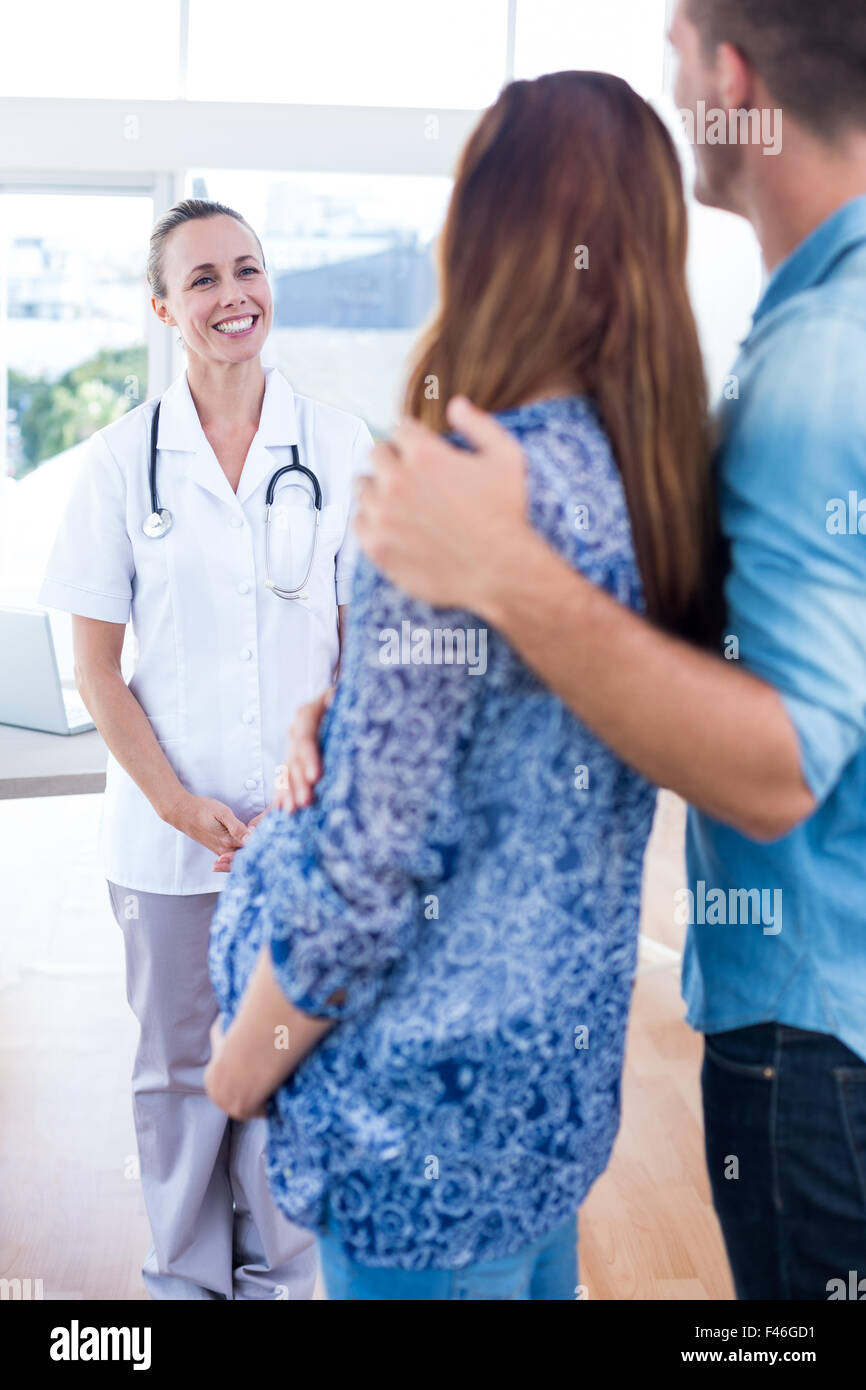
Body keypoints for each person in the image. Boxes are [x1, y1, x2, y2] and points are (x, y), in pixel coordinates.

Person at [331, 1, 866, 1301]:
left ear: (729, 76)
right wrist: (373, 703)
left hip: (813, 1040)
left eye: (674, 58)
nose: (672, 96)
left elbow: (779, 761)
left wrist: (505, 575)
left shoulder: (809, 369)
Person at [204, 71, 720, 1300]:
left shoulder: (452, 495)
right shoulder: (654, 494)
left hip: (413, 1136)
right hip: (551, 1113)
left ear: (484, 235)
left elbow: (371, 882)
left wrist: (238, 1069)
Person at [38, 198, 373, 1299]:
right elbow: (94, 671)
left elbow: (369, 649)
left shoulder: (335, 445)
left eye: (248, 270)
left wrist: (312, 795)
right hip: (164, 836)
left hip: (302, 826)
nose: (233, 296)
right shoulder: (115, 462)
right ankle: (182, 1277)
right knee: (179, 1069)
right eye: (202, 280)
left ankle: (282, 1277)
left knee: (290, 1057)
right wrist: (182, 804)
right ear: (162, 307)